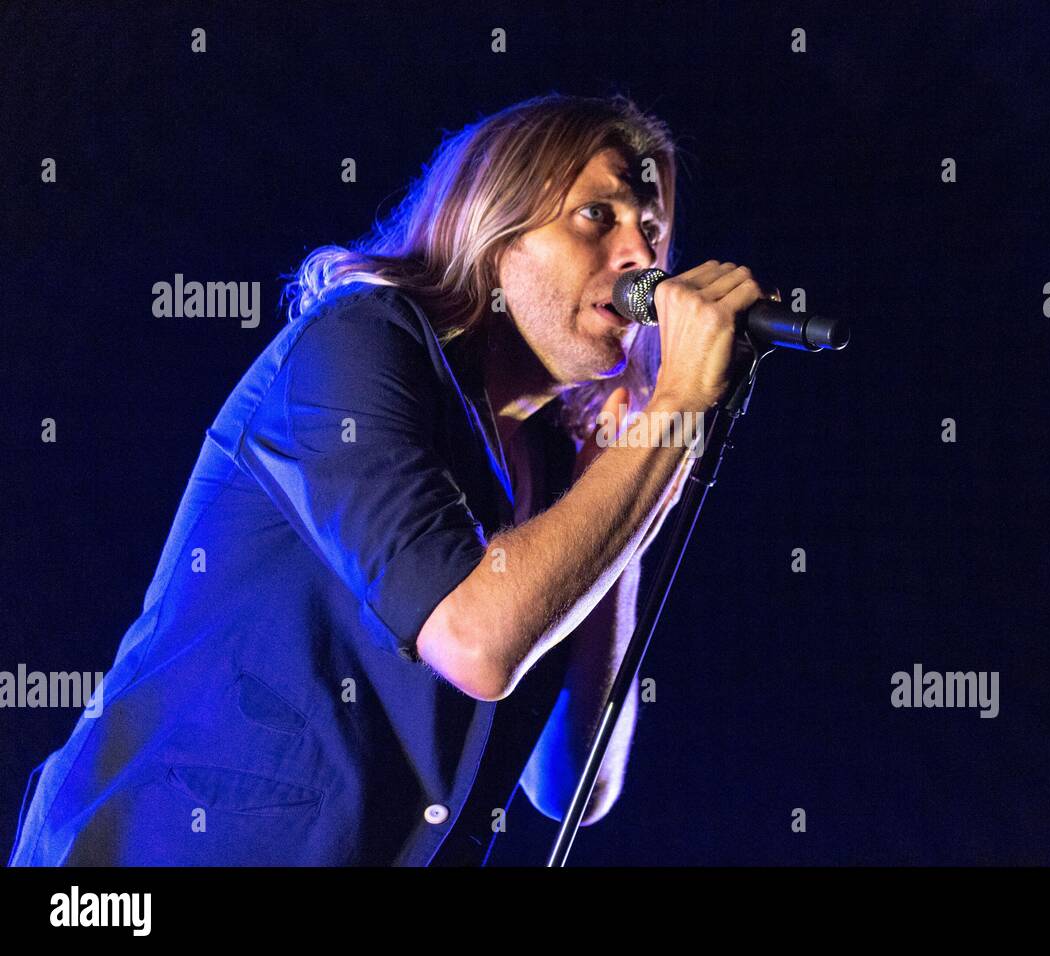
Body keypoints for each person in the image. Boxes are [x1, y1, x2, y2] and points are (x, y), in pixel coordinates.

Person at [8, 92, 772, 866]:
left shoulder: (549, 464)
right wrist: (674, 408)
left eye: (652, 230)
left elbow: (575, 781)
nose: (642, 257)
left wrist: (624, 469)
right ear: (494, 224)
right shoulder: (359, 344)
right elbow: (477, 640)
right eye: (597, 216)